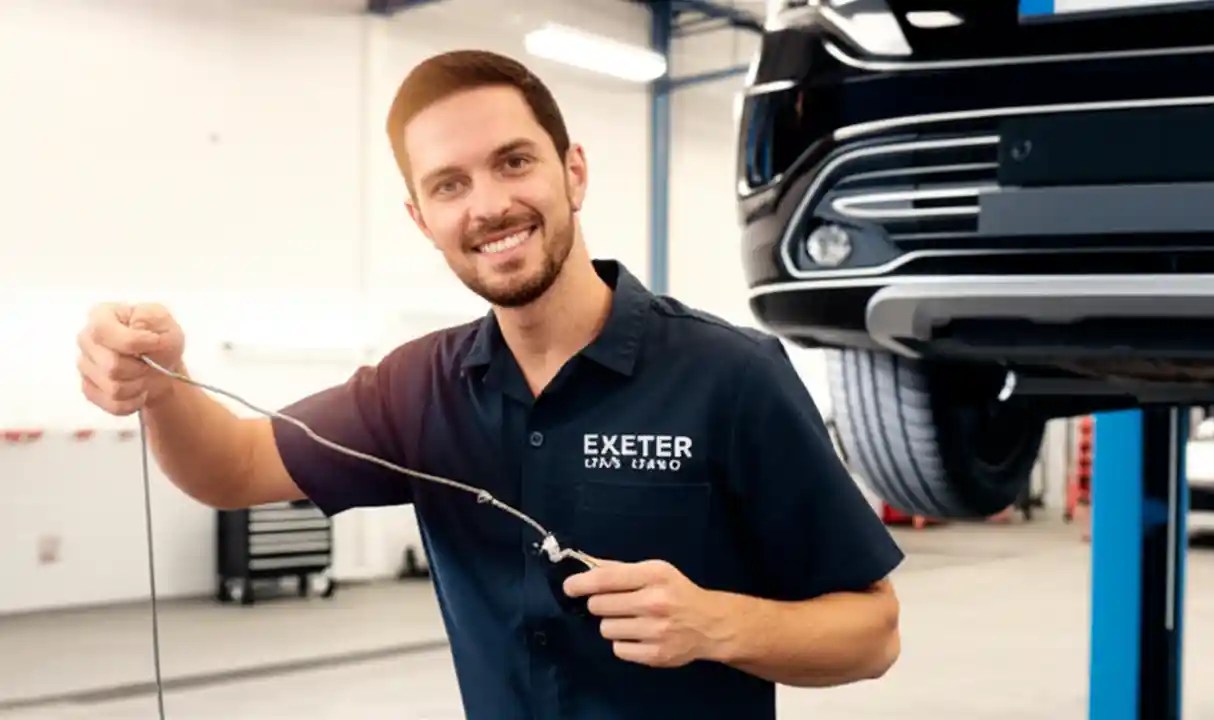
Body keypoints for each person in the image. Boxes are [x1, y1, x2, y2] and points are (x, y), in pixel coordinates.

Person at [76, 49, 903, 719]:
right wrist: (165, 384)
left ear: (573, 172)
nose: (491, 205)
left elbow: (872, 632)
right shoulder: (418, 389)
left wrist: (717, 623)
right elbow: (232, 468)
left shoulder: (732, 377)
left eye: (514, 162)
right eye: (450, 184)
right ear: (422, 218)